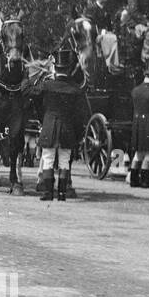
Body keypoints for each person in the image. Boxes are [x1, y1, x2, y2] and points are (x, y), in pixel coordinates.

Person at [37, 48, 90, 201]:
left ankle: (48, 193)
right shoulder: (75, 89)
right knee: (64, 160)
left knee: (47, 158)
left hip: (49, 125)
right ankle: (61, 193)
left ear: (55, 68)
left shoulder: (47, 85)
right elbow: (80, 115)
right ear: (68, 69)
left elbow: (35, 98)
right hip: (67, 128)